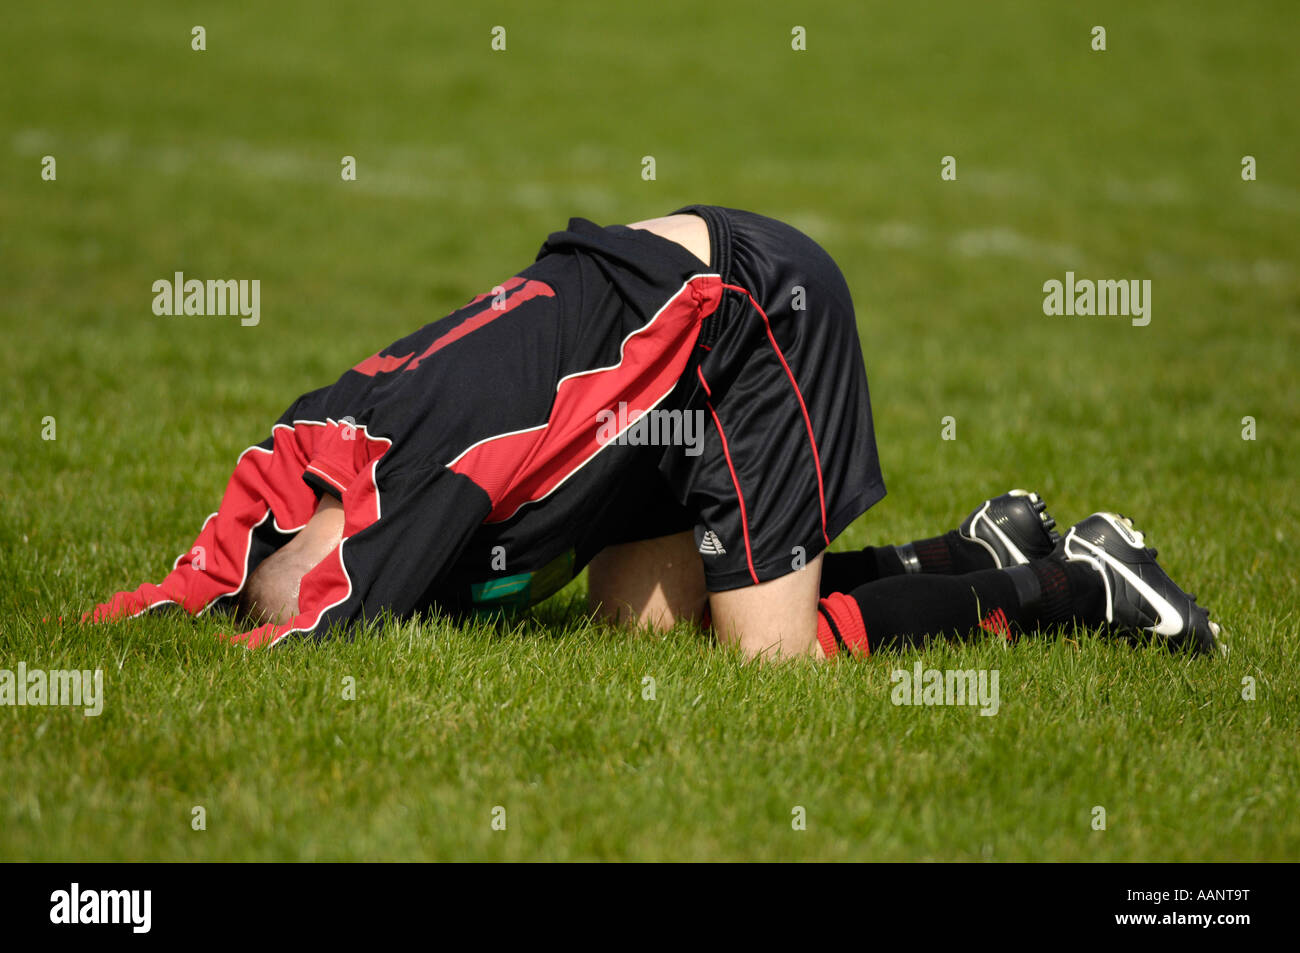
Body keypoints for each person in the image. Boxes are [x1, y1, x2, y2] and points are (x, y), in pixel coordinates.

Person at [84, 206, 1221, 657]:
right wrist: (169, 596)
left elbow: (333, 612)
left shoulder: (427, 486)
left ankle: (1084, 586)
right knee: (638, 627)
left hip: (750, 314)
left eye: (335, 562)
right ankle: (984, 548)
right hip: (655, 358)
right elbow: (240, 535)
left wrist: (251, 639)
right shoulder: (330, 437)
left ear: (341, 534)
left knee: (769, 661)